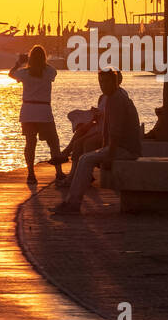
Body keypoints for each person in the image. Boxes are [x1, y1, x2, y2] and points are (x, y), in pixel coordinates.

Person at [54, 69, 142, 214]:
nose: (103, 85)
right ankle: (72, 202)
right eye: (101, 82)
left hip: (126, 150)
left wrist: (109, 156)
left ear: (115, 82)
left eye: (106, 81)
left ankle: (73, 204)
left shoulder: (116, 100)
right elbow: (109, 132)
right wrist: (103, 150)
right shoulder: (113, 97)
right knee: (85, 158)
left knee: (86, 159)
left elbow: (116, 133)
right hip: (121, 147)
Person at [9, 45, 65, 186]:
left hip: (28, 111)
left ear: (30, 58)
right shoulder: (49, 72)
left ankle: (31, 174)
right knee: (53, 143)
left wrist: (19, 63)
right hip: (44, 111)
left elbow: (11, 73)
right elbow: (52, 72)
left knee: (30, 144)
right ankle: (58, 172)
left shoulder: (24, 73)